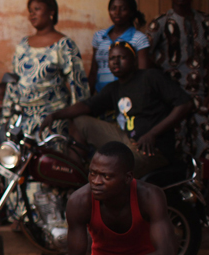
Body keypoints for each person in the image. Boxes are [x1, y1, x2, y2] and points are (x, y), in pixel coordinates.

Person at [40, 42, 192, 178]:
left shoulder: (150, 77)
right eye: (112, 58)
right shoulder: (114, 88)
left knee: (111, 173)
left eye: (122, 57)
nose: (115, 62)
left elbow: (185, 104)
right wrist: (54, 115)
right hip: (126, 143)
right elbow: (86, 106)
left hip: (152, 150)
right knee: (80, 120)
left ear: (134, 61)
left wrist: (152, 133)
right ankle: (76, 176)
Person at [147, 0, 209, 182]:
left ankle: (201, 208)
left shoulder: (206, 22)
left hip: (200, 100)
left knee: (205, 152)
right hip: (171, 104)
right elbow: (144, 56)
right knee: (177, 152)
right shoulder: (160, 23)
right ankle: (179, 207)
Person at [1, 0, 89, 136]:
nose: (32, 14)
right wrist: (6, 116)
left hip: (51, 120)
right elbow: (13, 81)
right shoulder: (23, 44)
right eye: (30, 10)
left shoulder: (65, 44)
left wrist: (76, 121)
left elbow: (78, 86)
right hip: (22, 119)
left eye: (37, 9)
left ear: (51, 12)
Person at [89, 0, 149, 93]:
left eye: (123, 9)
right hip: (102, 95)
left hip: (127, 94)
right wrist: (88, 99)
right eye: (113, 8)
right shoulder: (99, 36)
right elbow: (94, 71)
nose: (117, 12)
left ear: (131, 12)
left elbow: (143, 74)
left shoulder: (139, 38)